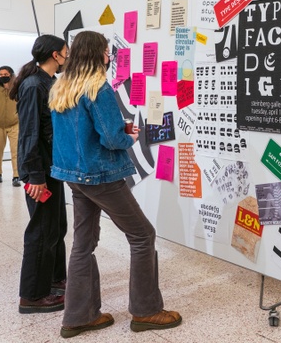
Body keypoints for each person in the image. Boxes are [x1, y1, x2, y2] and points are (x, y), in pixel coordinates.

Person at [49, 31, 181, 338]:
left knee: (83, 244)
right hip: (101, 176)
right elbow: (110, 139)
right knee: (142, 235)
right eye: (108, 53)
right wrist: (129, 137)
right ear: (98, 55)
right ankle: (146, 311)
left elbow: (81, 131)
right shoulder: (99, 88)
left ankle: (78, 316)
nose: (111, 58)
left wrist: (115, 128)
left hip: (74, 176)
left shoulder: (62, 87)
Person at [9, 34, 69, 314]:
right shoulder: (34, 85)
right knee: (42, 231)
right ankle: (32, 295)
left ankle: (56, 280)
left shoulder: (49, 82)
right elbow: (30, 133)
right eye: (65, 52)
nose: (68, 56)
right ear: (55, 55)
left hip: (51, 167)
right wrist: (34, 175)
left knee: (56, 227)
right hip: (40, 171)